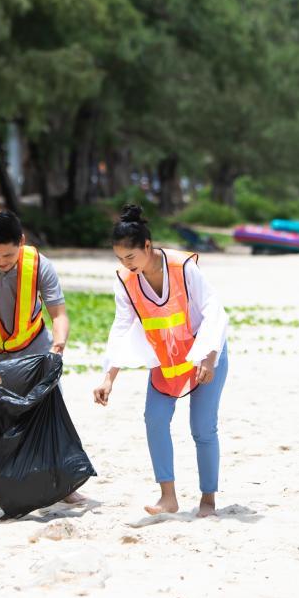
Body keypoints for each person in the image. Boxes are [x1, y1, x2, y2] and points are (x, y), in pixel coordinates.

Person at [93, 204, 229, 518]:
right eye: (119, 259)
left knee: (202, 428)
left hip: (204, 355)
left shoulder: (183, 267)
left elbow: (214, 311)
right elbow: (122, 326)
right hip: (166, 357)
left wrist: (208, 358)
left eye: (131, 257)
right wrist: (108, 377)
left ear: (147, 246)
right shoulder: (125, 280)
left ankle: (207, 499)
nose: (126, 265)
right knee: (154, 420)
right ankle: (168, 497)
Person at [0, 210, 84, 512]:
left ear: (22, 242)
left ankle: (64, 486)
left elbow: (59, 314)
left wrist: (59, 344)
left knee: (50, 412)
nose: (1, 261)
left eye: (8, 255)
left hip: (33, 343)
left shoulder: (41, 265)